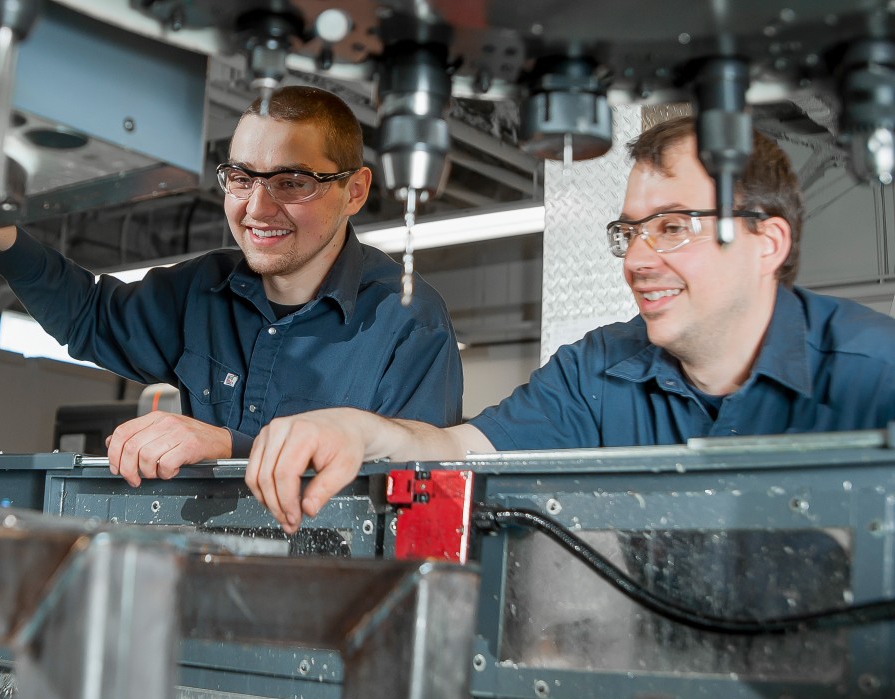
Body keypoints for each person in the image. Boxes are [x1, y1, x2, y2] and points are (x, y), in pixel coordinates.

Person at [246, 115, 895, 534]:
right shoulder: (598, 372)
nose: (639, 260)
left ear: (767, 243)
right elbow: (461, 451)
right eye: (630, 233)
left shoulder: (875, 377)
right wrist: (355, 429)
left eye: (673, 227)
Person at [0, 85, 463, 486]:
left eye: (292, 183)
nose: (256, 208)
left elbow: (416, 484)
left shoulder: (407, 320)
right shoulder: (202, 289)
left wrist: (227, 446)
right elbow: (87, 314)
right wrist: (0, 235)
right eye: (241, 178)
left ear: (354, 191)